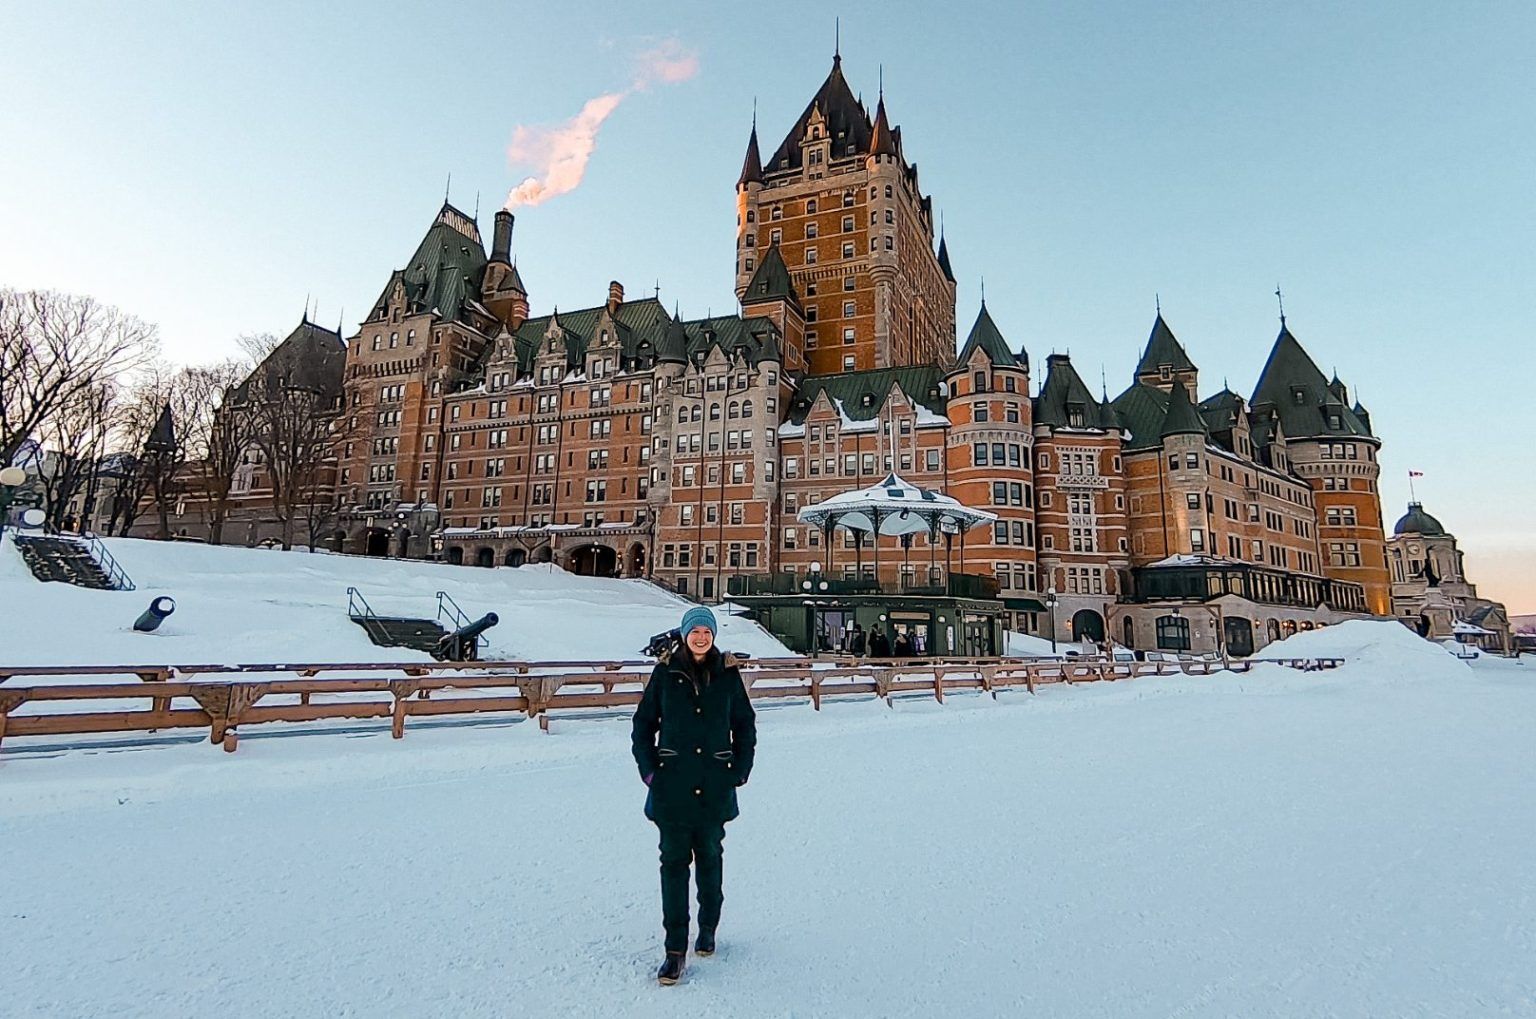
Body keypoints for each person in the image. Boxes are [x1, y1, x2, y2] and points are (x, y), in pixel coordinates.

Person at [632, 606, 757, 986]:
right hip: (672, 787)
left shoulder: (728, 675)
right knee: (672, 865)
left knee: (710, 859)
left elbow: (745, 726)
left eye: (707, 631)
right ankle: (674, 949)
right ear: (685, 634)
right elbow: (642, 727)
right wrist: (651, 771)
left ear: (713, 635)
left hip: (714, 785)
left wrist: (739, 770)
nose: (701, 637)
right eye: (695, 631)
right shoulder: (666, 674)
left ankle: (708, 927)